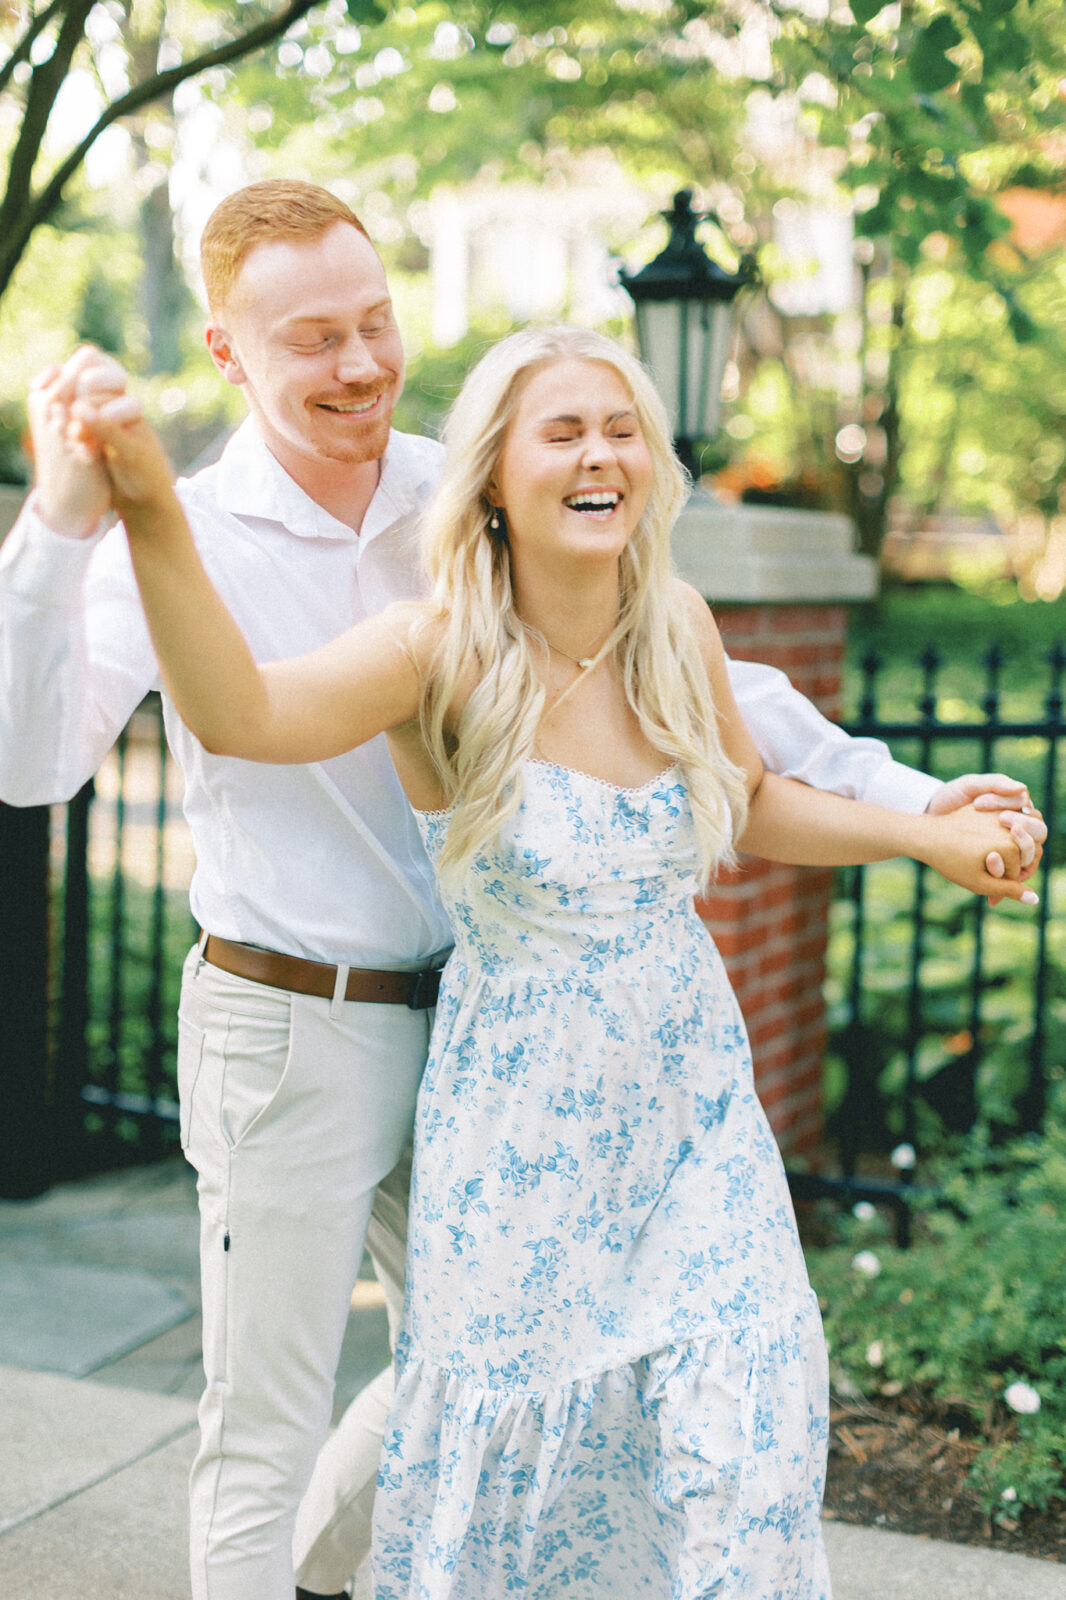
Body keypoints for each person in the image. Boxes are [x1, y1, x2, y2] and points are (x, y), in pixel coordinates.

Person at [0, 183, 1041, 1600]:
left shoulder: (473, 490)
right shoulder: (215, 551)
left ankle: (341, 1570)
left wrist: (921, 812)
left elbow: (729, 733)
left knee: (469, 1381)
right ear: (232, 352)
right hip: (290, 1016)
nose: (359, 363)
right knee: (270, 1424)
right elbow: (67, 749)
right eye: (314, 337)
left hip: (504, 1034)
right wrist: (85, 521)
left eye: (376, 323)